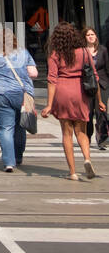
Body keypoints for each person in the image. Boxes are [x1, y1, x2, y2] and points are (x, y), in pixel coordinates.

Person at [41, 22, 105, 181]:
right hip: (80, 92)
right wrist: (99, 101)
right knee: (81, 130)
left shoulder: (55, 54)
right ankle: (87, 159)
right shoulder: (84, 52)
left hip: (62, 91)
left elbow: (51, 79)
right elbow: (94, 77)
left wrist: (49, 104)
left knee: (67, 133)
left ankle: (73, 172)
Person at [0, 26, 38, 171]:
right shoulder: (23, 53)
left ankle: (9, 162)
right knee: (20, 126)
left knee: (5, 128)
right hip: (20, 93)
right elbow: (34, 73)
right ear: (13, 41)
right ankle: (18, 156)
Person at [84, 26, 109, 151]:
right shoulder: (82, 51)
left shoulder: (103, 50)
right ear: (85, 37)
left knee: (101, 112)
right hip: (88, 86)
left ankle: (102, 140)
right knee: (88, 113)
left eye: (92, 34)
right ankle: (86, 138)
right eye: (88, 35)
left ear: (96, 36)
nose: (90, 37)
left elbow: (107, 68)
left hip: (102, 85)